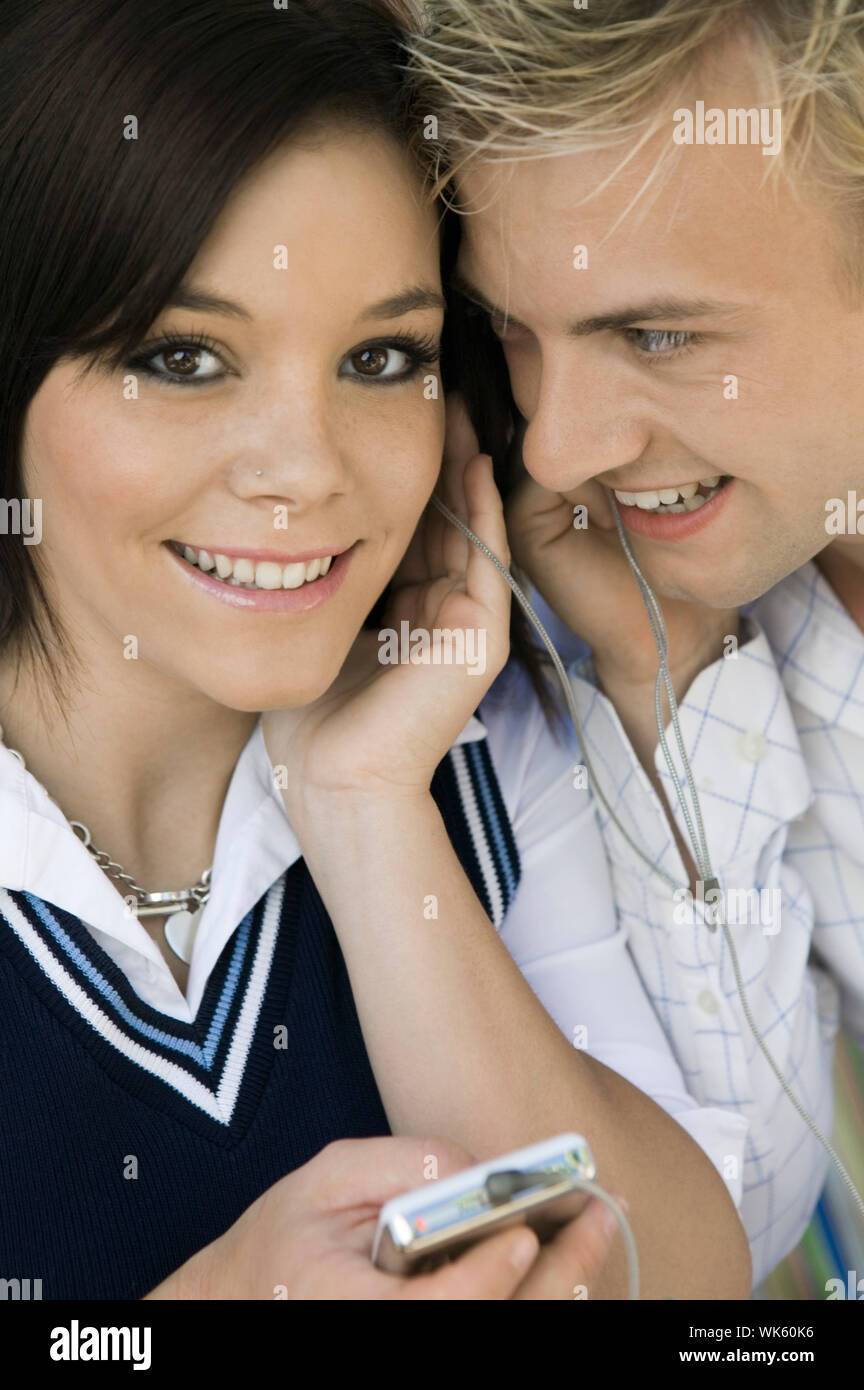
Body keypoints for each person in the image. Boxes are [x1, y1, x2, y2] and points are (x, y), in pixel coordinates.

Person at [0, 0, 750, 1300]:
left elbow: (690, 1284)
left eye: (380, 357)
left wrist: (359, 806)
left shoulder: (473, 746)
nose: (307, 472)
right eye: (184, 357)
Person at [408, 0, 864, 1285]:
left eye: (657, 334)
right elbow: (739, 1227)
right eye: (513, 329)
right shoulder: (699, 585)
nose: (555, 446)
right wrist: (666, 678)